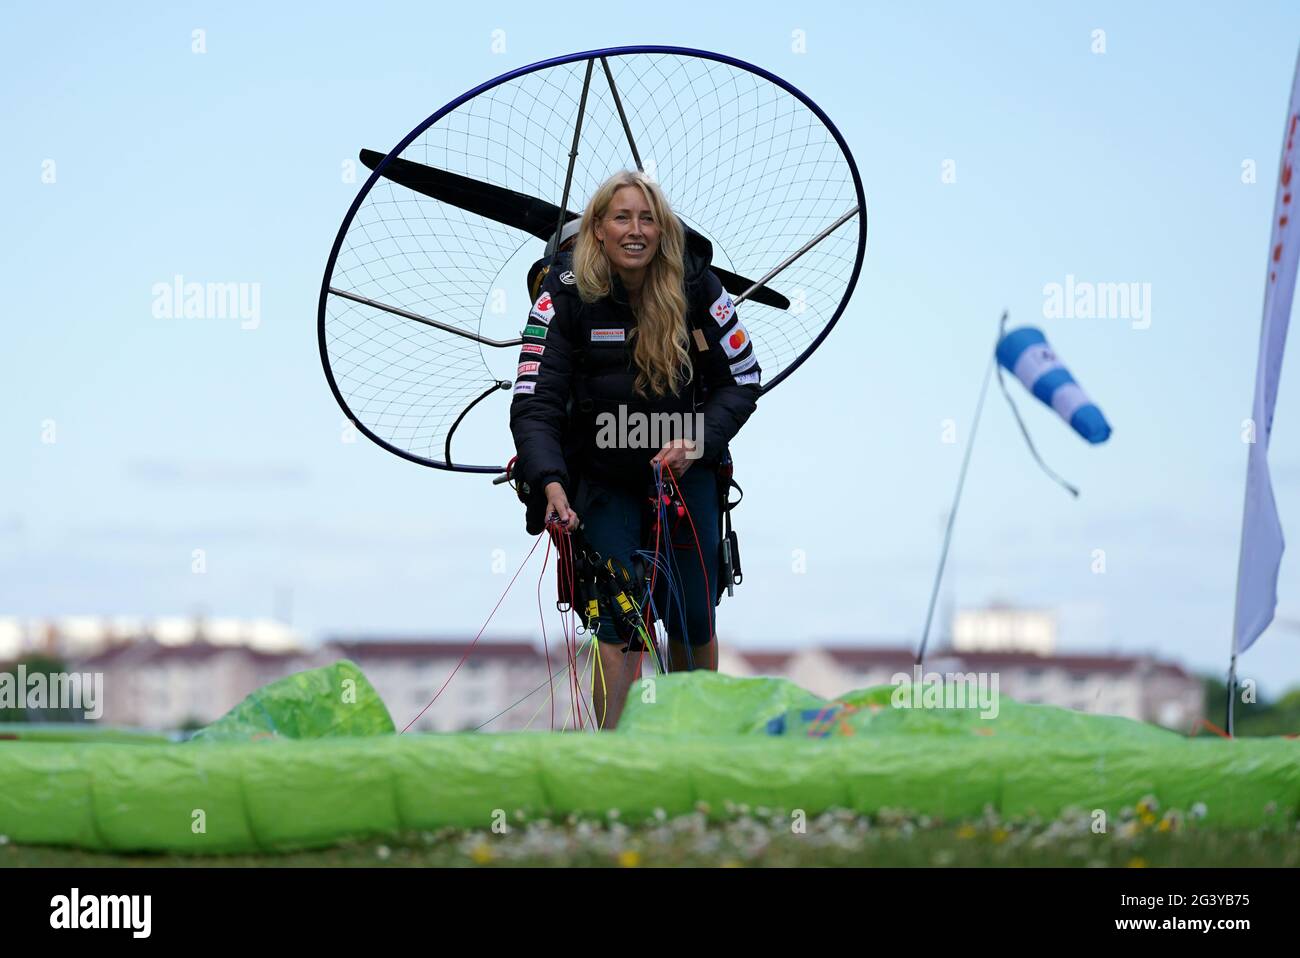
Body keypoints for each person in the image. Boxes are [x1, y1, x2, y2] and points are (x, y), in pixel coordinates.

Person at [510, 170, 761, 728]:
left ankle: (695, 743)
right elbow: (534, 401)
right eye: (622, 217)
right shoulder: (563, 291)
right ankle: (615, 753)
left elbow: (742, 379)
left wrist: (695, 443)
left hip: (685, 470)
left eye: (648, 219)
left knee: (693, 612)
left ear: (662, 229)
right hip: (600, 477)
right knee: (617, 616)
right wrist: (550, 480)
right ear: (597, 229)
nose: (636, 230)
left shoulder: (698, 284)